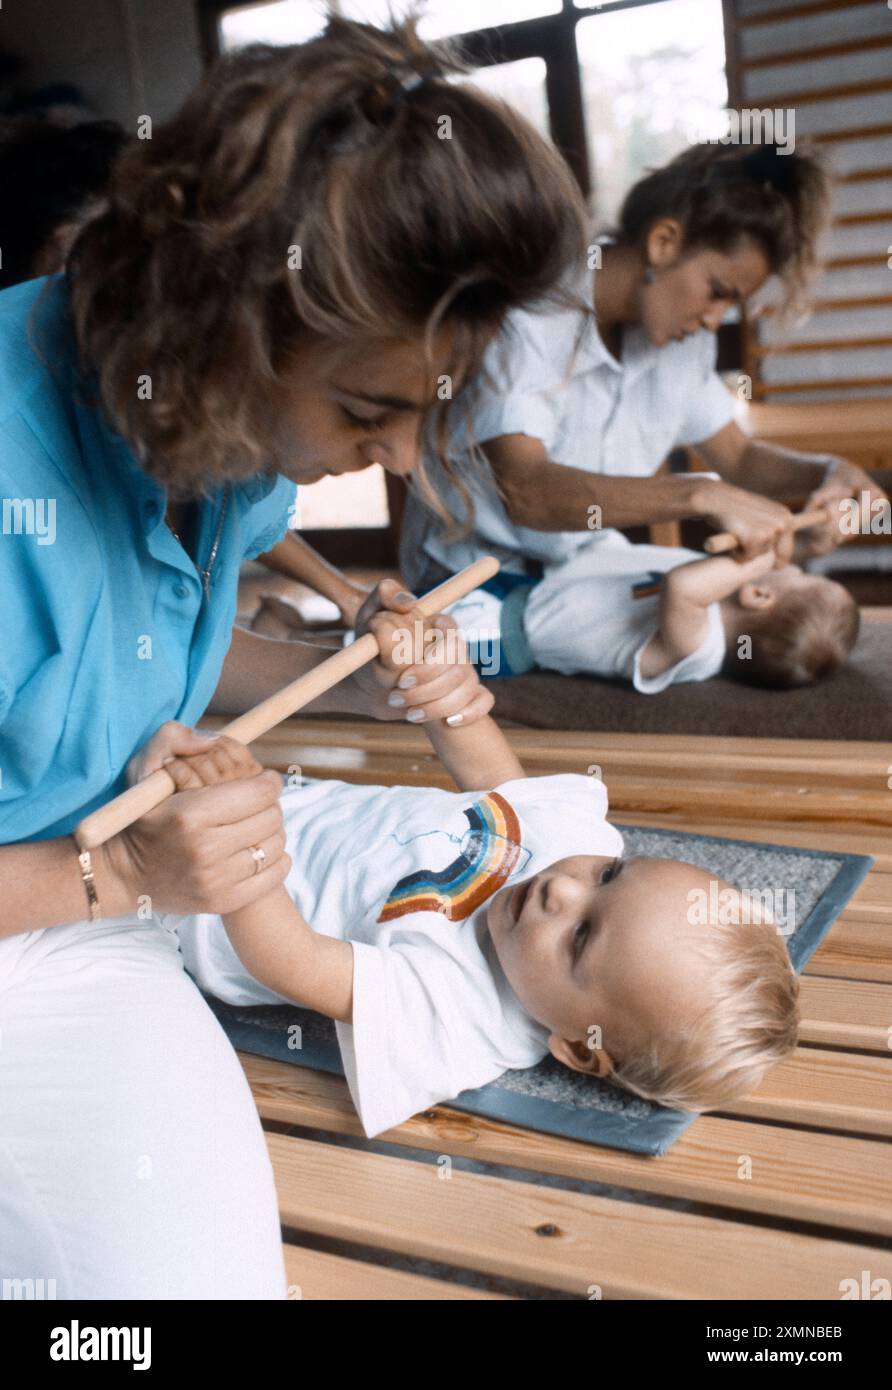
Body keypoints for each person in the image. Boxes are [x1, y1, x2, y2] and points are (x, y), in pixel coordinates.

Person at [0, 14, 588, 1298]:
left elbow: (144, 653)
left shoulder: (207, 432)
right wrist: (108, 882)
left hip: (110, 895)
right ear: (213, 318)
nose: (387, 461)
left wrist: (357, 674)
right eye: (367, 411)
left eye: (416, 414)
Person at [168, 684, 800, 1140]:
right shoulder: (582, 850)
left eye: (580, 938)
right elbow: (495, 778)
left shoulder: (462, 1018)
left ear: (580, 1049)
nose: (564, 889)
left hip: (187, 896)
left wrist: (238, 835)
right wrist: (444, 690)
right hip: (274, 798)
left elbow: (293, 962)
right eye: (614, 875)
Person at [396, 141, 889, 593]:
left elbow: (738, 460)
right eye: (717, 292)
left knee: (790, 602)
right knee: (712, 620)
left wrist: (829, 472)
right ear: (664, 242)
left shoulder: (681, 346)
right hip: (470, 576)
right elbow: (527, 492)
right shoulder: (530, 316)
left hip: (581, 564)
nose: (714, 322)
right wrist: (696, 495)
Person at [440, 534, 861, 690]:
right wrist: (799, 543)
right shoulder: (720, 597)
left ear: (758, 594)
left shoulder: (701, 646)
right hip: (529, 590)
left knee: (403, 640)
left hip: (498, 633)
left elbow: (682, 587)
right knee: (408, 600)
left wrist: (765, 553)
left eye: (798, 573)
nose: (790, 564)